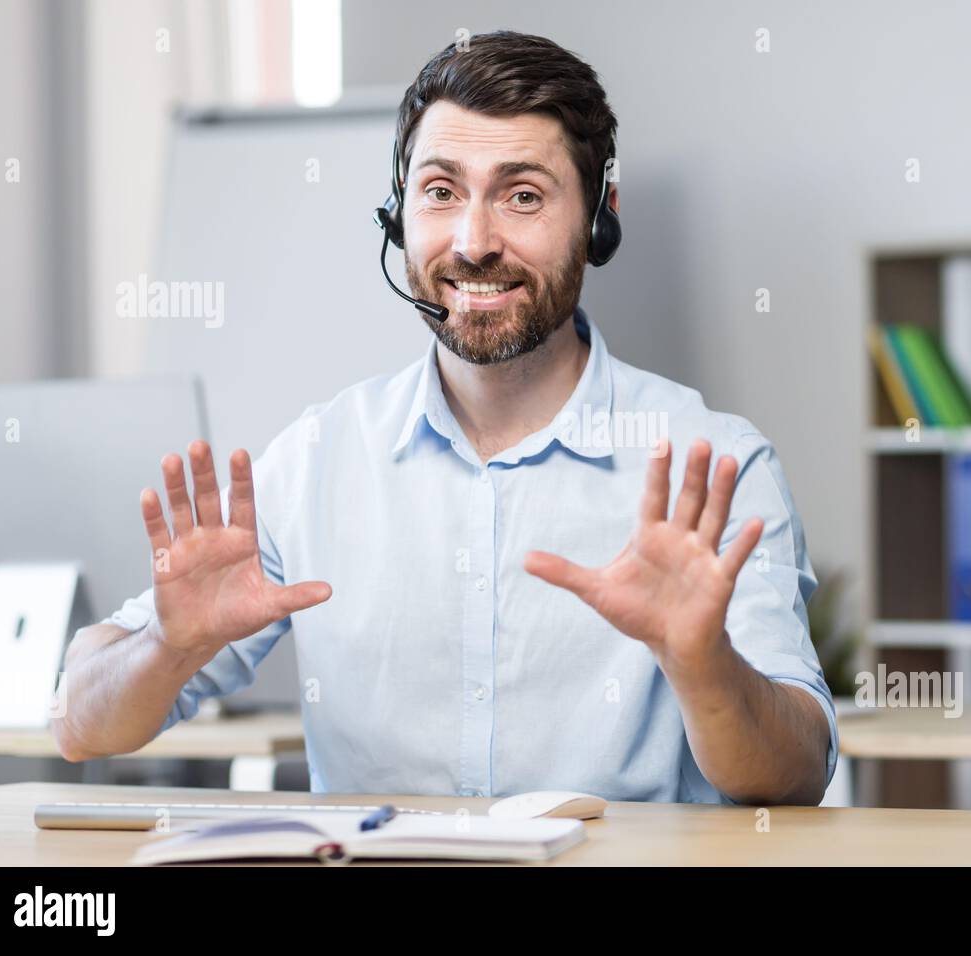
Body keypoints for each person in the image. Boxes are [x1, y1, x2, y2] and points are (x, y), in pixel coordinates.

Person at [52, 31, 836, 805]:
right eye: (440, 191)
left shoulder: (715, 463)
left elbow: (798, 769)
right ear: (397, 217)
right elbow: (80, 725)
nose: (473, 242)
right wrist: (166, 647)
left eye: (522, 195)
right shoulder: (317, 460)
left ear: (600, 218)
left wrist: (704, 667)